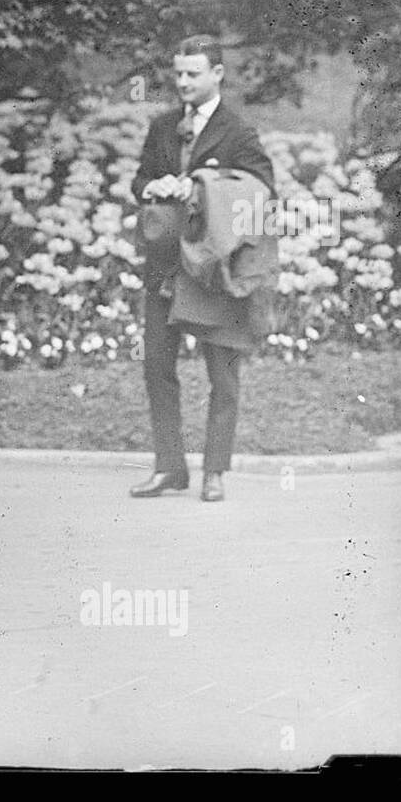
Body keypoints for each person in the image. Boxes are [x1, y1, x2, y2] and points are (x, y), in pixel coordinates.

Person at [128, 34, 275, 503]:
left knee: (222, 371)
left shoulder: (239, 131)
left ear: (217, 75)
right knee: (156, 364)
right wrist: (157, 185)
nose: (184, 82)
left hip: (214, 270)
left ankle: (215, 471)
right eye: (179, 73)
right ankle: (170, 467)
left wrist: (202, 185)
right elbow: (139, 179)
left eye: (194, 73)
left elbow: (261, 191)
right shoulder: (163, 126)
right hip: (167, 265)